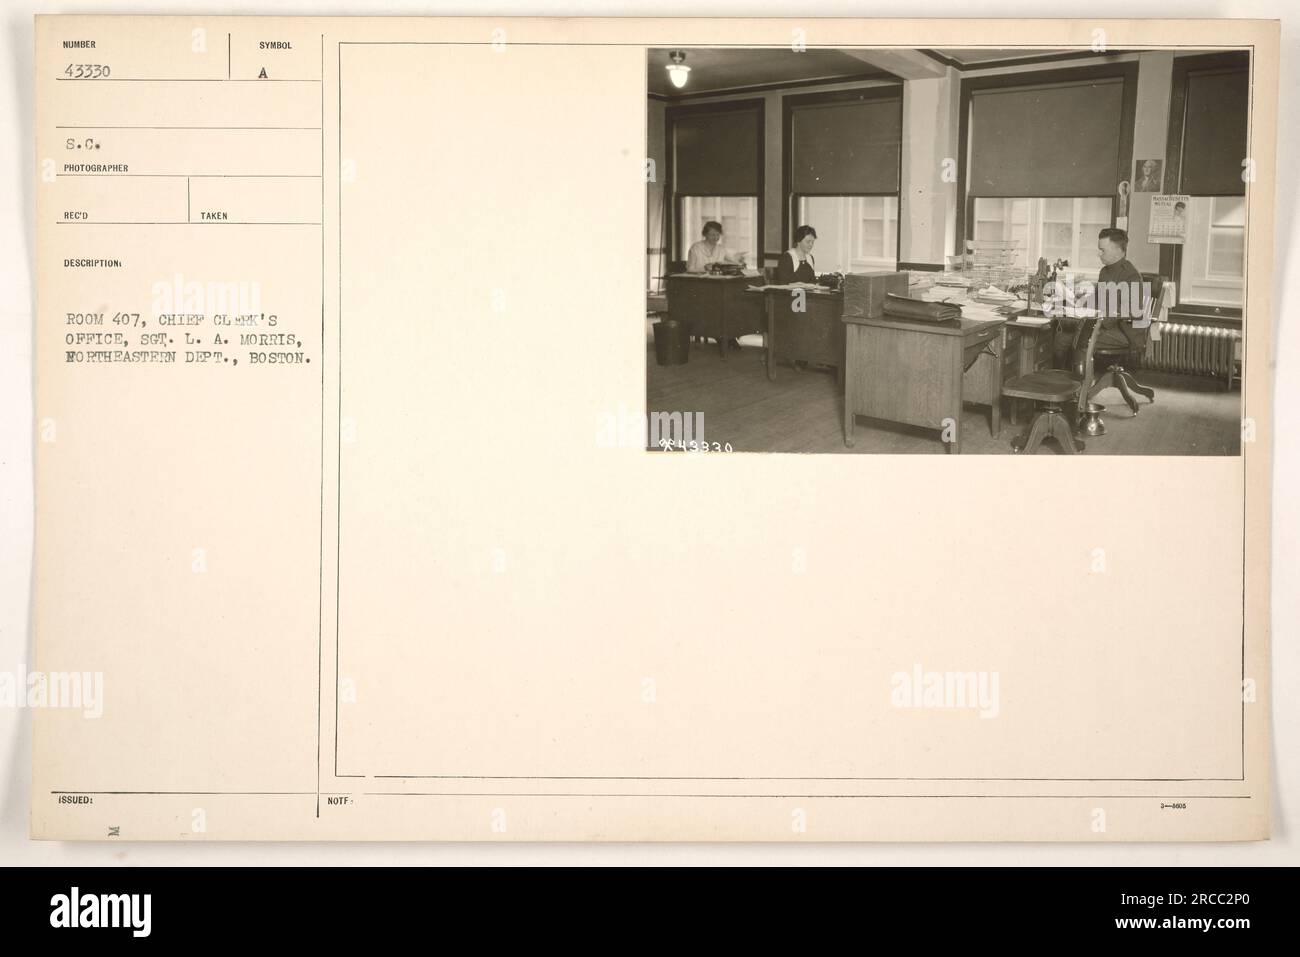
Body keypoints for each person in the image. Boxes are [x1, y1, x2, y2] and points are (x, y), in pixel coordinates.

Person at [1054, 227, 1145, 367]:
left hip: (1124, 331)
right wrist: (1079, 302)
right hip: (1103, 324)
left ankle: (1081, 384)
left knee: (1082, 338)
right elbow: (1099, 299)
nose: (1099, 254)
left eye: (1102, 250)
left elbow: (1132, 310)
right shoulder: (1105, 271)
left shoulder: (1130, 275)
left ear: (1117, 250)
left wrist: (1098, 320)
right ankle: (1061, 379)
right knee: (1062, 337)